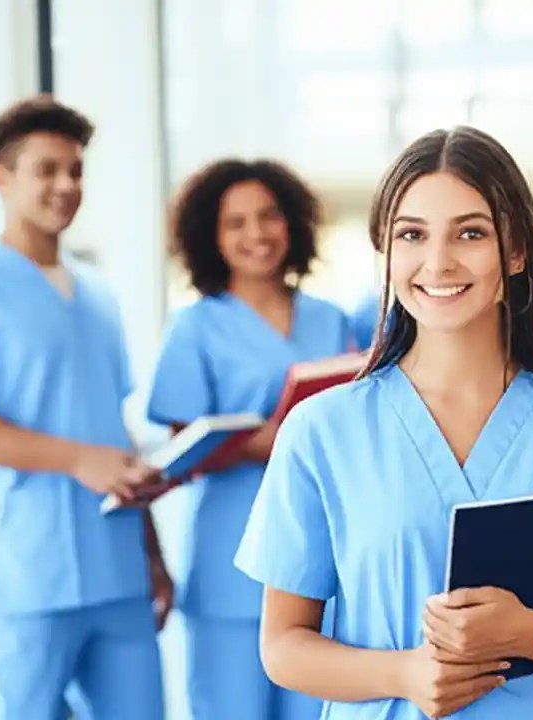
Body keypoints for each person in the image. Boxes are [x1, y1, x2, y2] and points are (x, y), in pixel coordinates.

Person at [232, 126, 533, 719]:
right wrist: (403, 673)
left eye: (471, 233)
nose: (439, 261)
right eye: (412, 235)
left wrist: (528, 633)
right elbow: (283, 646)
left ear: (516, 251)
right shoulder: (321, 430)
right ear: (388, 250)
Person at [0, 95, 168, 719]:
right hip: (23, 576)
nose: (66, 186)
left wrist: (153, 559)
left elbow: (115, 437)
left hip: (116, 572)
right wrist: (78, 459)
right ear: (2, 177)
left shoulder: (100, 299)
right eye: (47, 169)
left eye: (76, 171)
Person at [146, 159, 353, 719]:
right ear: (209, 238)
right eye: (235, 223)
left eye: (268, 217)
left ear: (293, 224)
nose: (256, 234)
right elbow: (176, 450)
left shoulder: (331, 321)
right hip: (229, 559)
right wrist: (260, 440)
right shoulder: (195, 328)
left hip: (321, 553)